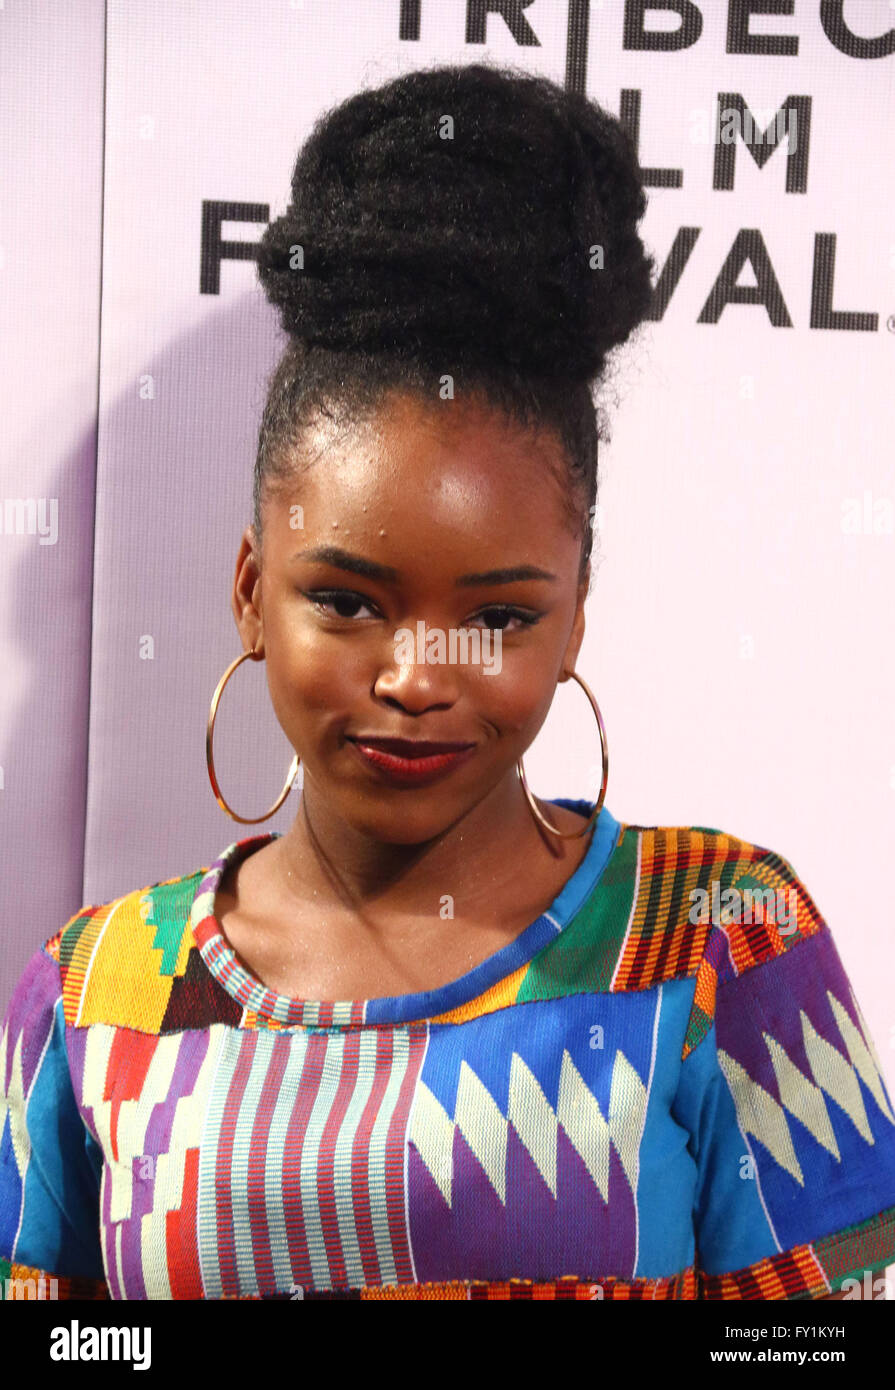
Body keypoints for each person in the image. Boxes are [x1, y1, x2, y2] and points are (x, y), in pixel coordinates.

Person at [2, 62, 894, 1303]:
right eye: (350, 600)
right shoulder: (98, 992)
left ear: (576, 614)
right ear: (252, 590)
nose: (419, 675)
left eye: (500, 614)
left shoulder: (720, 940)